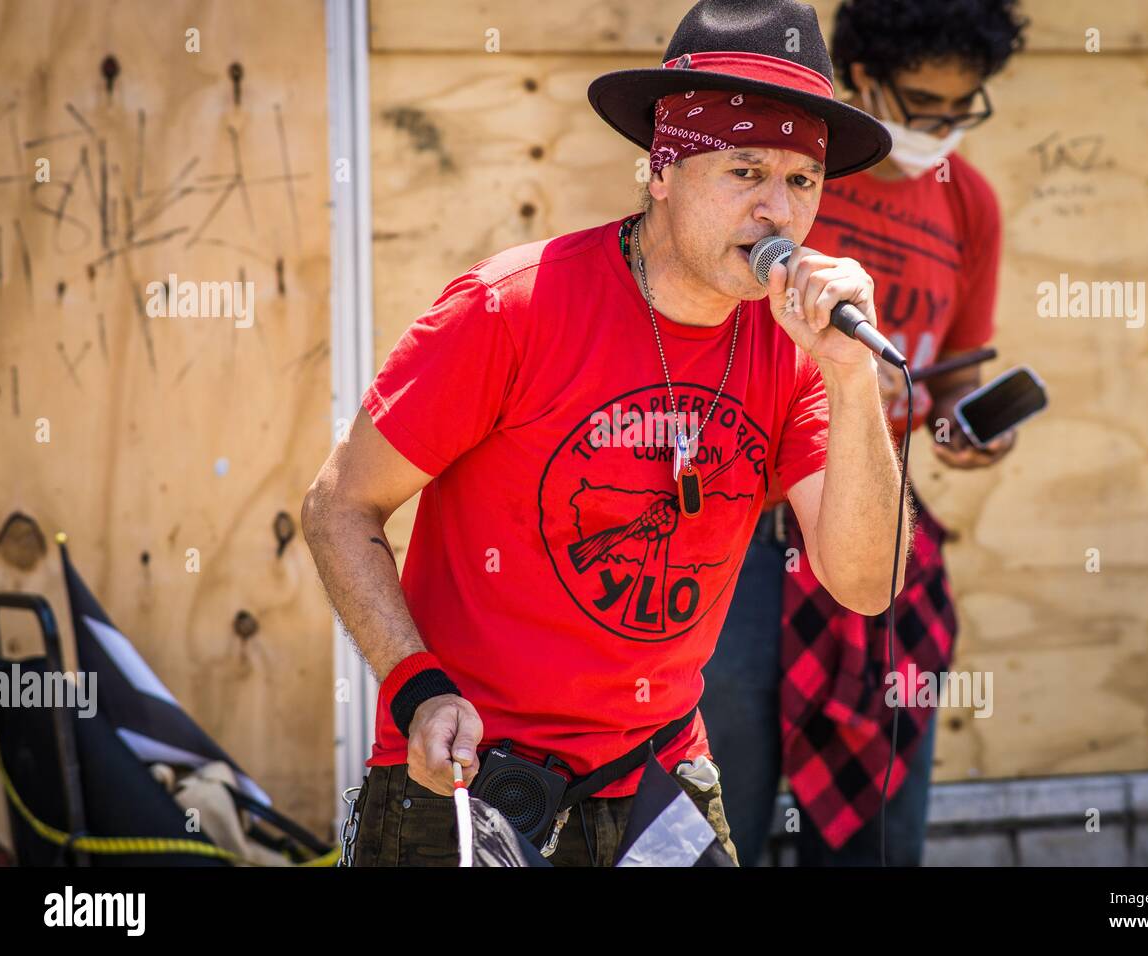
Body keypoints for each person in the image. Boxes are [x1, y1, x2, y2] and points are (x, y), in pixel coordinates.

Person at [301, 0, 911, 868]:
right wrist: (416, 689)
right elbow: (338, 506)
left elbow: (865, 581)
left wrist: (853, 381)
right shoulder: (509, 308)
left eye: (801, 181)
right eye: (745, 171)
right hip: (468, 775)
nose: (778, 211)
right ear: (661, 171)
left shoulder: (800, 347)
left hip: (662, 773)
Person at [701, 0, 1028, 866]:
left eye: (964, 109)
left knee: (875, 822)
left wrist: (968, 423)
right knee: (708, 807)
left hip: (878, 527)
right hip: (748, 532)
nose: (943, 128)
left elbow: (955, 368)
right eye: (924, 104)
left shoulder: (972, 203)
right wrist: (834, 373)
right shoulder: (792, 183)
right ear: (865, 79)